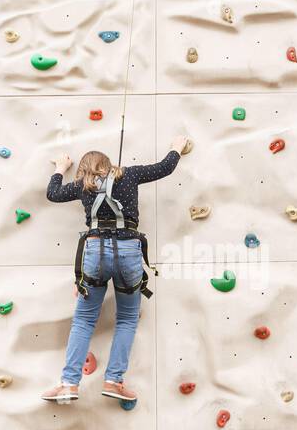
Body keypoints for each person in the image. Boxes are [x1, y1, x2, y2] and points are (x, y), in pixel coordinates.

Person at [41, 137, 187, 404]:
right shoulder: (129, 175)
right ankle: (113, 380)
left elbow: (52, 193)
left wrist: (61, 167)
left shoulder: (82, 187)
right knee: (127, 319)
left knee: (84, 320)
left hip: (95, 253)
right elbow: (165, 167)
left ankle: (69, 384)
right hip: (129, 252)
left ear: (83, 171)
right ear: (109, 165)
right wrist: (176, 147)